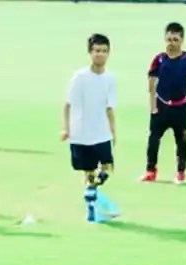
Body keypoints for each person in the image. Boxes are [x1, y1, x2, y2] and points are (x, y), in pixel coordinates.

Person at [142, 22, 186, 184]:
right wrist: (153, 106)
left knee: (182, 140)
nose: (171, 43)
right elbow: (151, 83)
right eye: (169, 39)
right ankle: (150, 171)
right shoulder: (159, 59)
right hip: (161, 106)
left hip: (180, 108)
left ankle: (180, 172)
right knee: (153, 139)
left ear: (182, 40)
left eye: (175, 39)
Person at [61, 34, 117, 223]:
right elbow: (68, 104)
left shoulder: (110, 78)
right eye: (96, 51)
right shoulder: (80, 77)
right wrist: (66, 129)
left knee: (105, 169)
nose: (100, 55)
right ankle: (91, 207)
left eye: (103, 51)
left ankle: (91, 196)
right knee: (91, 173)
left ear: (108, 53)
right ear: (90, 53)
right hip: (82, 133)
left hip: (101, 132)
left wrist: (113, 131)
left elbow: (110, 107)